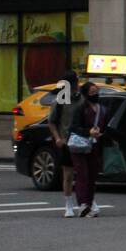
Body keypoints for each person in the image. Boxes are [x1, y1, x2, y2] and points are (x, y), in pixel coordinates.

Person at [68, 81, 109, 218]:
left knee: (92, 176)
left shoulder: (103, 109)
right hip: (80, 146)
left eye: (96, 92)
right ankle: (83, 205)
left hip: (95, 146)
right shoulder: (81, 109)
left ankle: (90, 204)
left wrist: (102, 134)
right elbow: (73, 127)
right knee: (82, 174)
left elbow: (106, 127)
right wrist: (88, 132)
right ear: (86, 94)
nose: (95, 94)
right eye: (92, 92)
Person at [49, 71, 81, 217]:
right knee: (68, 175)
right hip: (67, 142)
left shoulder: (83, 99)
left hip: (83, 141)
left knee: (84, 174)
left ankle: (86, 202)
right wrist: (57, 138)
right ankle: (68, 205)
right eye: (76, 81)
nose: (79, 83)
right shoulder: (59, 101)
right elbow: (52, 122)